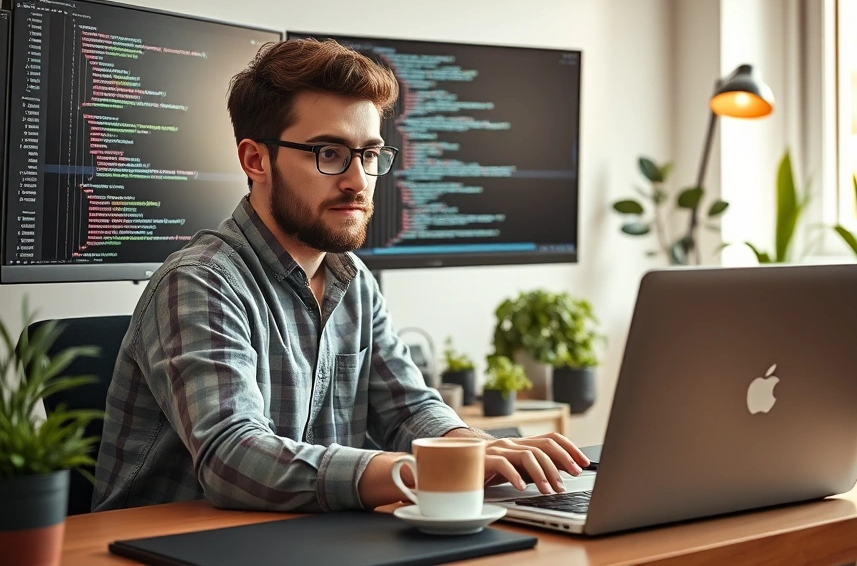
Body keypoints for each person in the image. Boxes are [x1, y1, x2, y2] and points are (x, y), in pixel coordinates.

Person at [91, 38, 589, 513]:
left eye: (369, 155)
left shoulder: (353, 280)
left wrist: (473, 447)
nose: (357, 181)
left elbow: (408, 408)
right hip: (176, 546)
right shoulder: (199, 282)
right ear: (255, 159)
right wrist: (412, 471)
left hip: (308, 538)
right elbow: (233, 456)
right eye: (329, 153)